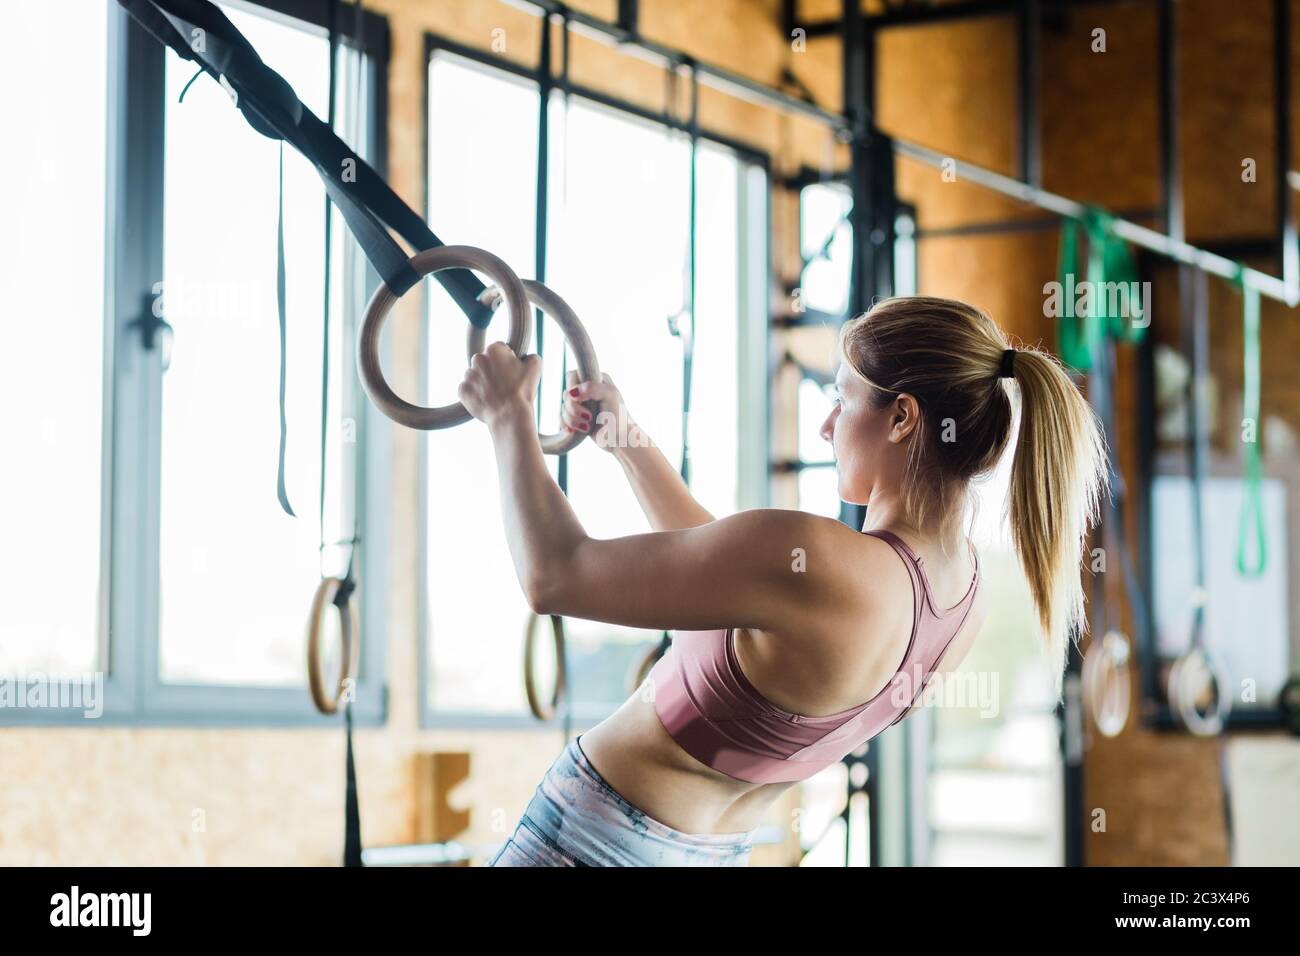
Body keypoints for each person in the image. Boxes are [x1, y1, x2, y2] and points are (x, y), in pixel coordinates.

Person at [456, 296, 1108, 867]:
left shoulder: (820, 557)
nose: (826, 427)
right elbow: (730, 588)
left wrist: (506, 413)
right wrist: (626, 438)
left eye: (841, 399)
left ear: (904, 417)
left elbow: (553, 576)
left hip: (591, 841)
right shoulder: (961, 603)